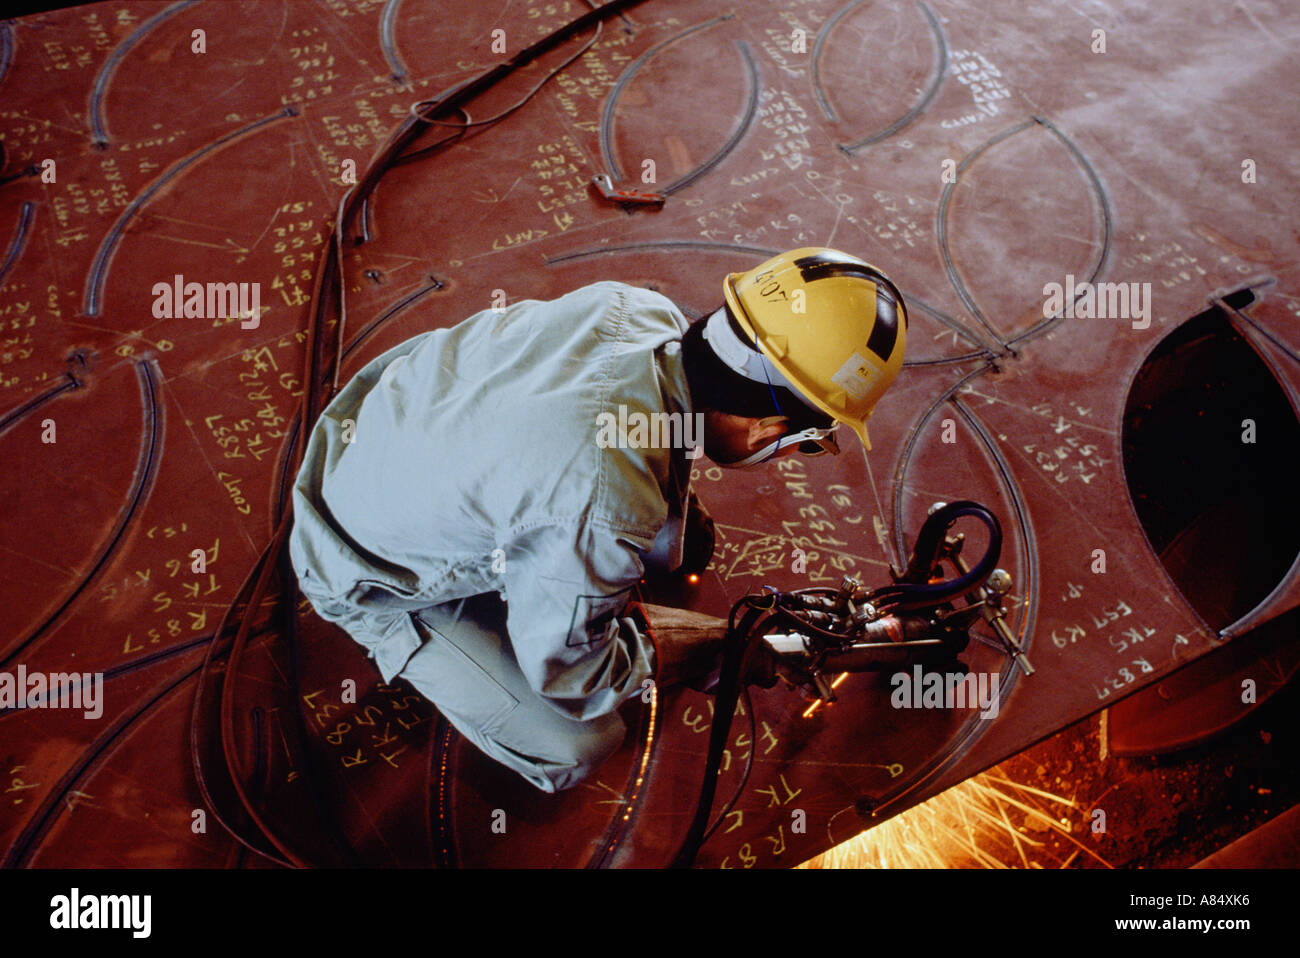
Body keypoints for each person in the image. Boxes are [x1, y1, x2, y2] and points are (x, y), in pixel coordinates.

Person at [288, 247, 907, 792]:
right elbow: (575, 679)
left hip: (371, 432)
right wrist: (717, 644)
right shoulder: (602, 502)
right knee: (579, 742)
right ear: (771, 428)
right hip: (357, 561)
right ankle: (421, 620)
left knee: (675, 540)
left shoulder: (636, 308)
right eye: (811, 441)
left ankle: (542, 555)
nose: (798, 454)